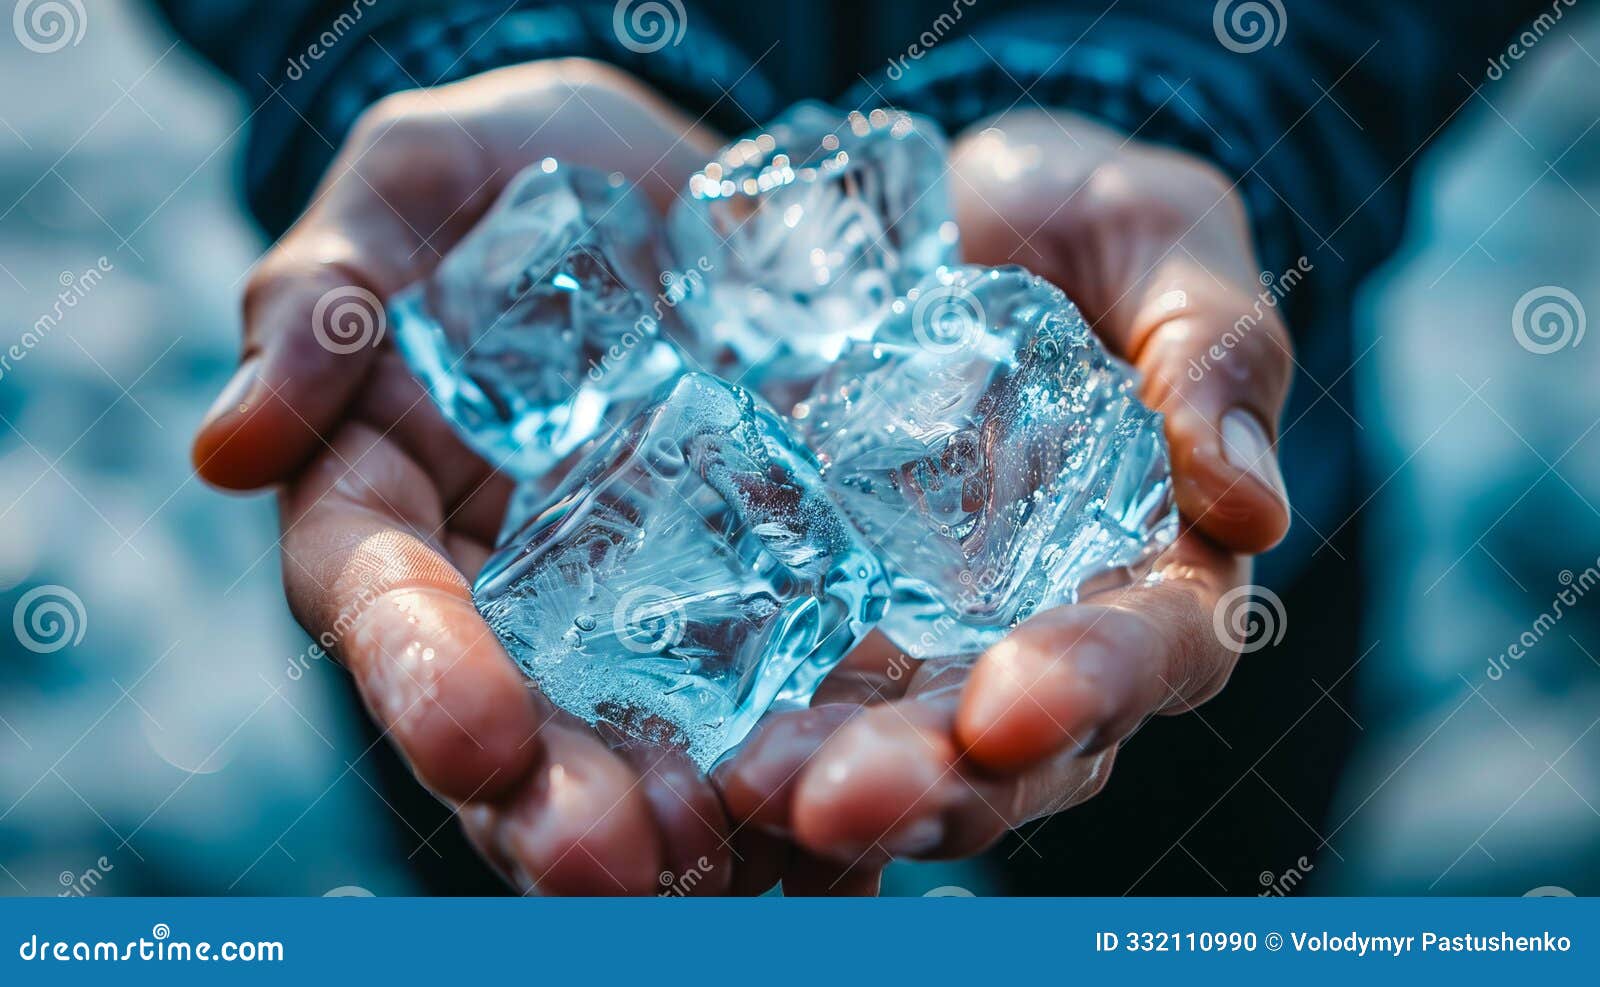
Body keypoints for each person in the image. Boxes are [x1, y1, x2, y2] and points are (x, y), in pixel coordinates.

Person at [153, 0, 1556, 894]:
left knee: (1198, 872)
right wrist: (419, 41)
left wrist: (1185, 87)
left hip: (1251, 516)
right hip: (509, 602)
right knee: (530, 822)